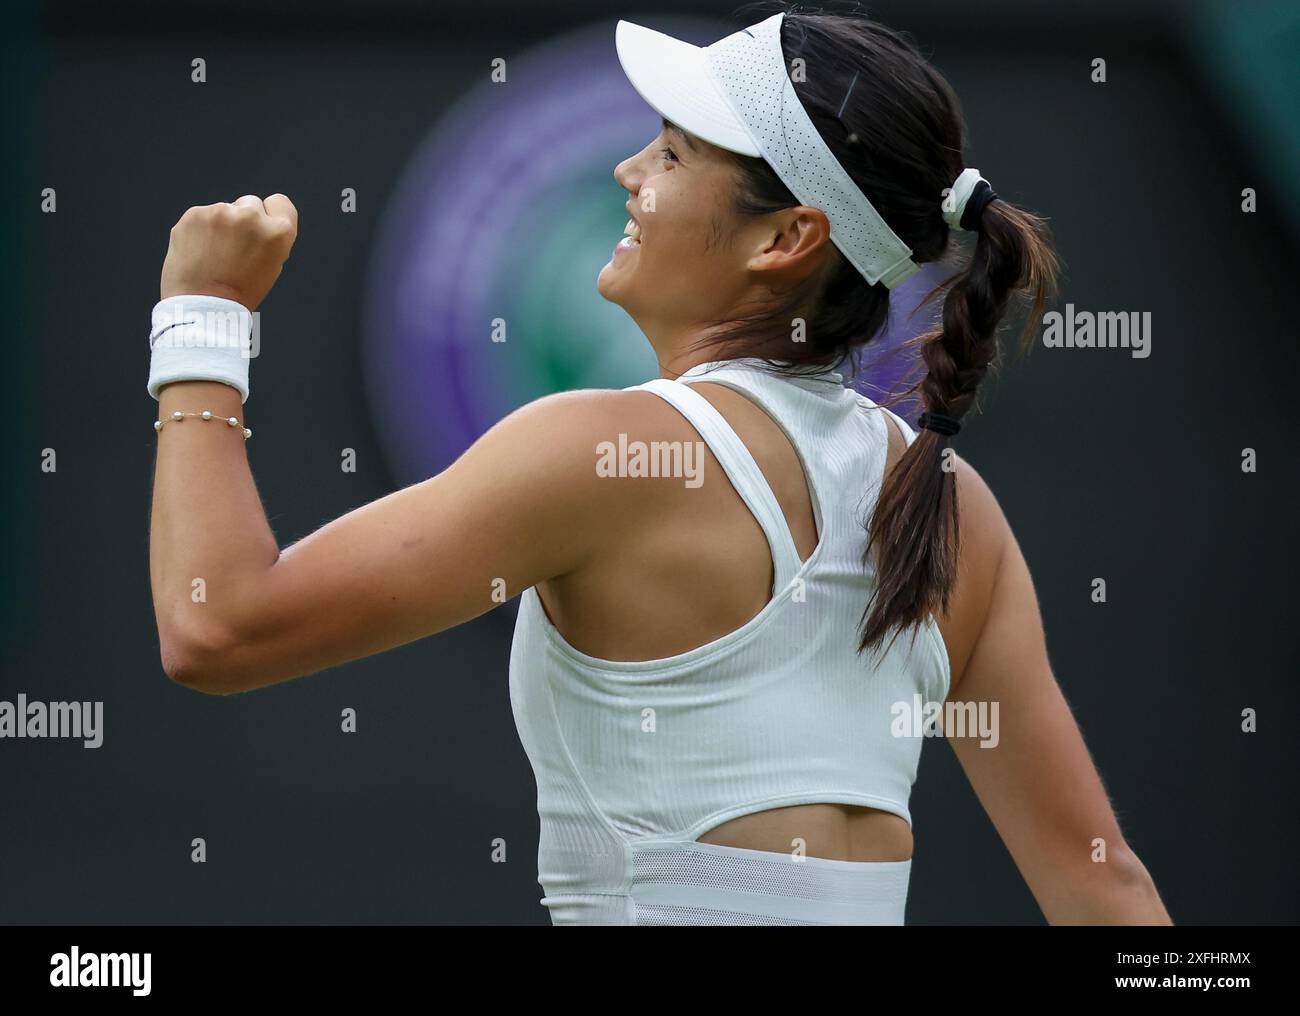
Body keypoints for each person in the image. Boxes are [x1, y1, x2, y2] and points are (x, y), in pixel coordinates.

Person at [146, 8, 1170, 925]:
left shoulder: (598, 456)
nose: (627, 171)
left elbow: (219, 623)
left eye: (675, 155)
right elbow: (1103, 886)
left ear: (786, 238)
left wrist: (204, 319)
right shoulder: (955, 509)